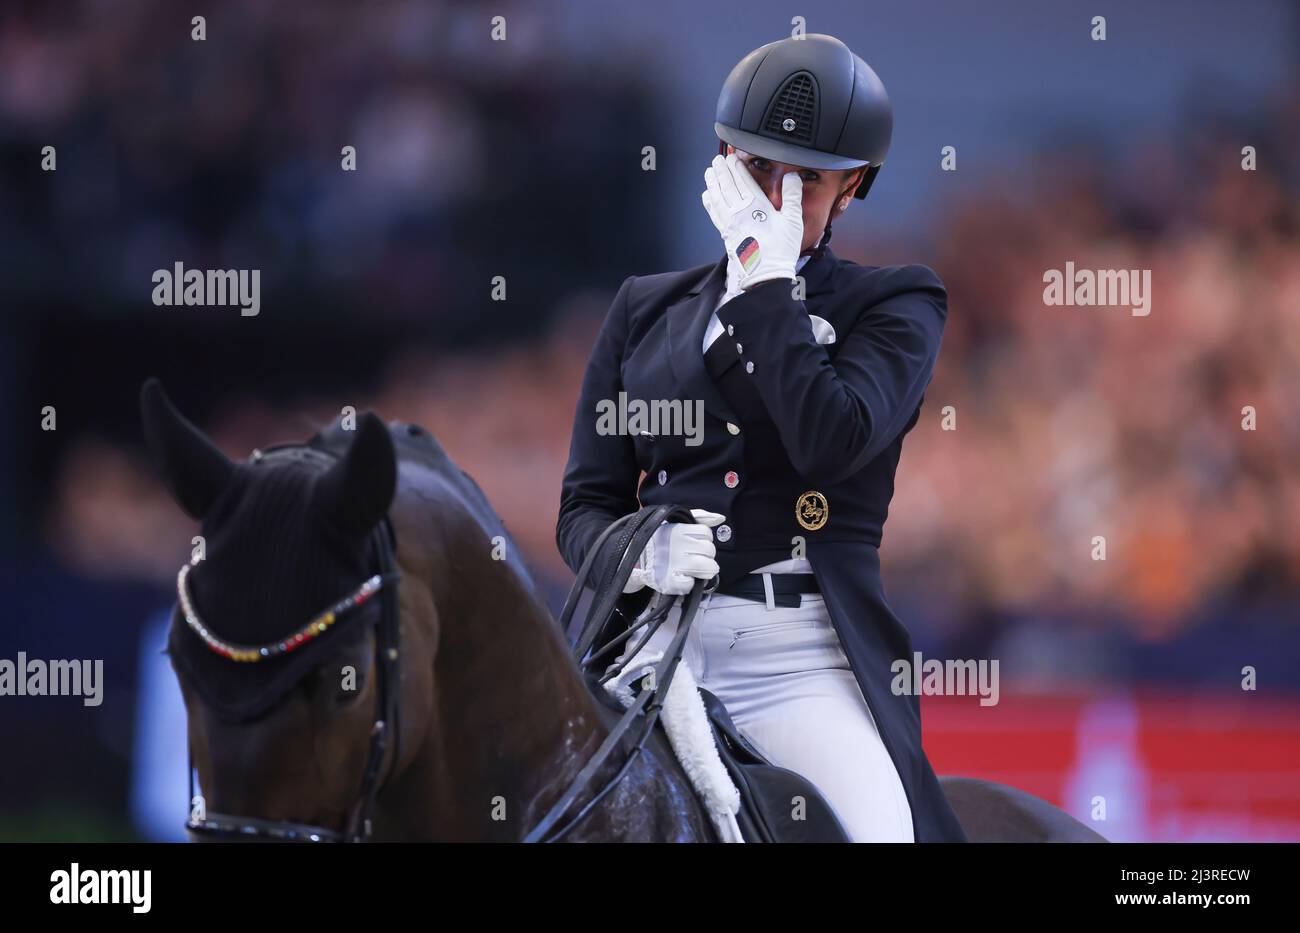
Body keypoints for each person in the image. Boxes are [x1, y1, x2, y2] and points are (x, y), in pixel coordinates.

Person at [556, 33, 967, 842]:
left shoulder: (896, 304)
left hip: (799, 660)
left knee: (881, 831)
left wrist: (766, 285)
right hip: (653, 640)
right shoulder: (644, 308)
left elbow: (832, 440)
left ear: (853, 187)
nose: (778, 195)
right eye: (756, 169)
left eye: (808, 180)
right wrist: (636, 553)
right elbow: (585, 503)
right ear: (721, 161)